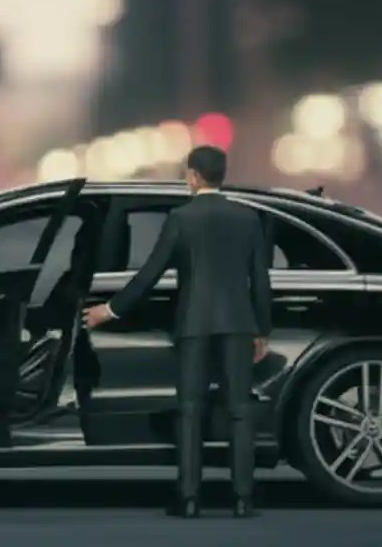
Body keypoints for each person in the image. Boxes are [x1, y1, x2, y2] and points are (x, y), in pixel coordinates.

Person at [83, 146, 272, 518]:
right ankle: (243, 499)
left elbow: (150, 274)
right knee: (240, 412)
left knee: (190, 412)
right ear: (221, 175)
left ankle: (188, 498)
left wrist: (109, 310)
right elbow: (260, 281)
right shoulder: (247, 218)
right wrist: (261, 329)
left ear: (193, 176)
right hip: (238, 325)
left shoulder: (181, 218)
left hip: (193, 326)